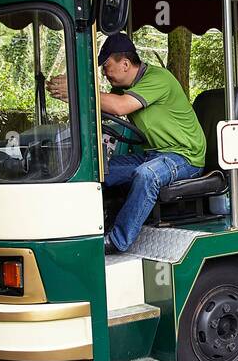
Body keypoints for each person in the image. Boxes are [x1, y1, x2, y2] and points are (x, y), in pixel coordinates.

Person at [46, 33, 205, 252]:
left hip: (186, 156)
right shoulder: (122, 88)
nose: (104, 72)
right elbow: (102, 104)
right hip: (155, 154)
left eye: (107, 66)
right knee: (100, 169)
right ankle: (87, 228)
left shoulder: (158, 78)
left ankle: (117, 241)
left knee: (147, 175)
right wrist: (70, 94)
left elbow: (119, 107)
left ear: (125, 64)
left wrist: (77, 88)